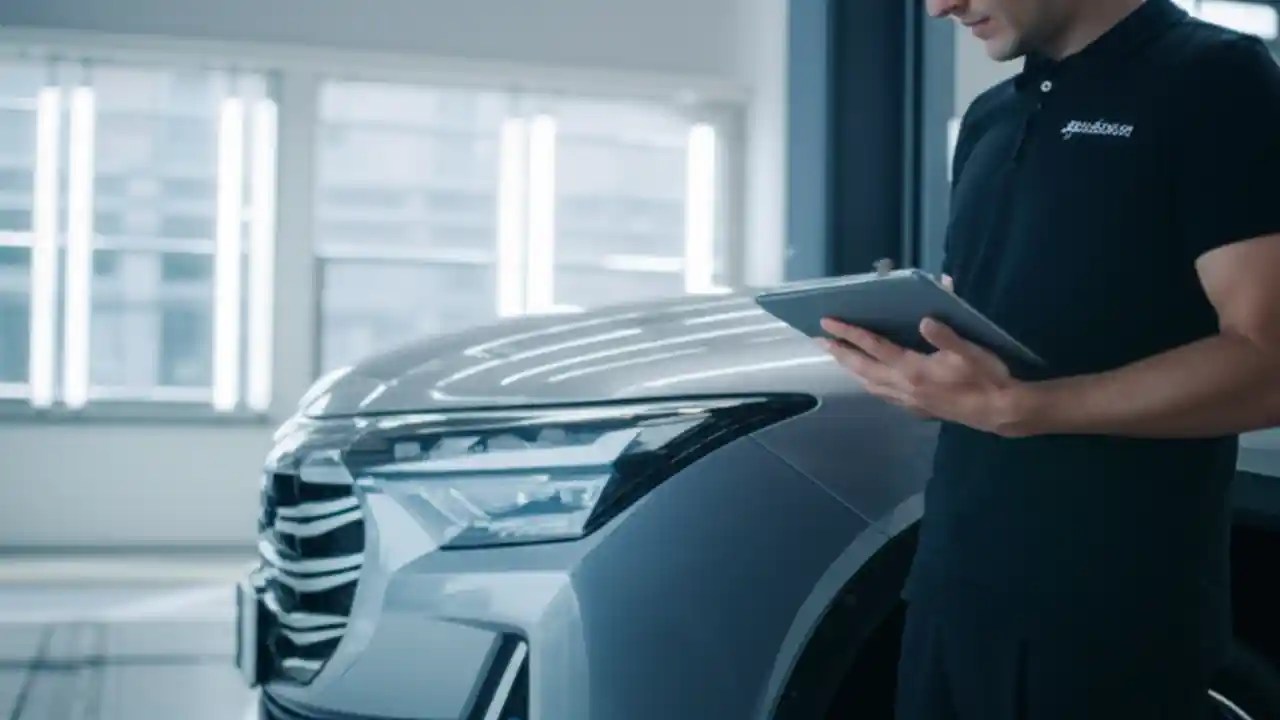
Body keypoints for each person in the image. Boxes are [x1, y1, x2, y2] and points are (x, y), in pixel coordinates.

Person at [816, 0, 1280, 718]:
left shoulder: (1218, 79)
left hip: (1108, 616)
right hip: (948, 596)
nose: (941, 7)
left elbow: (1267, 358)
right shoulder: (989, 117)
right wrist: (913, 346)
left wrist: (1027, 409)